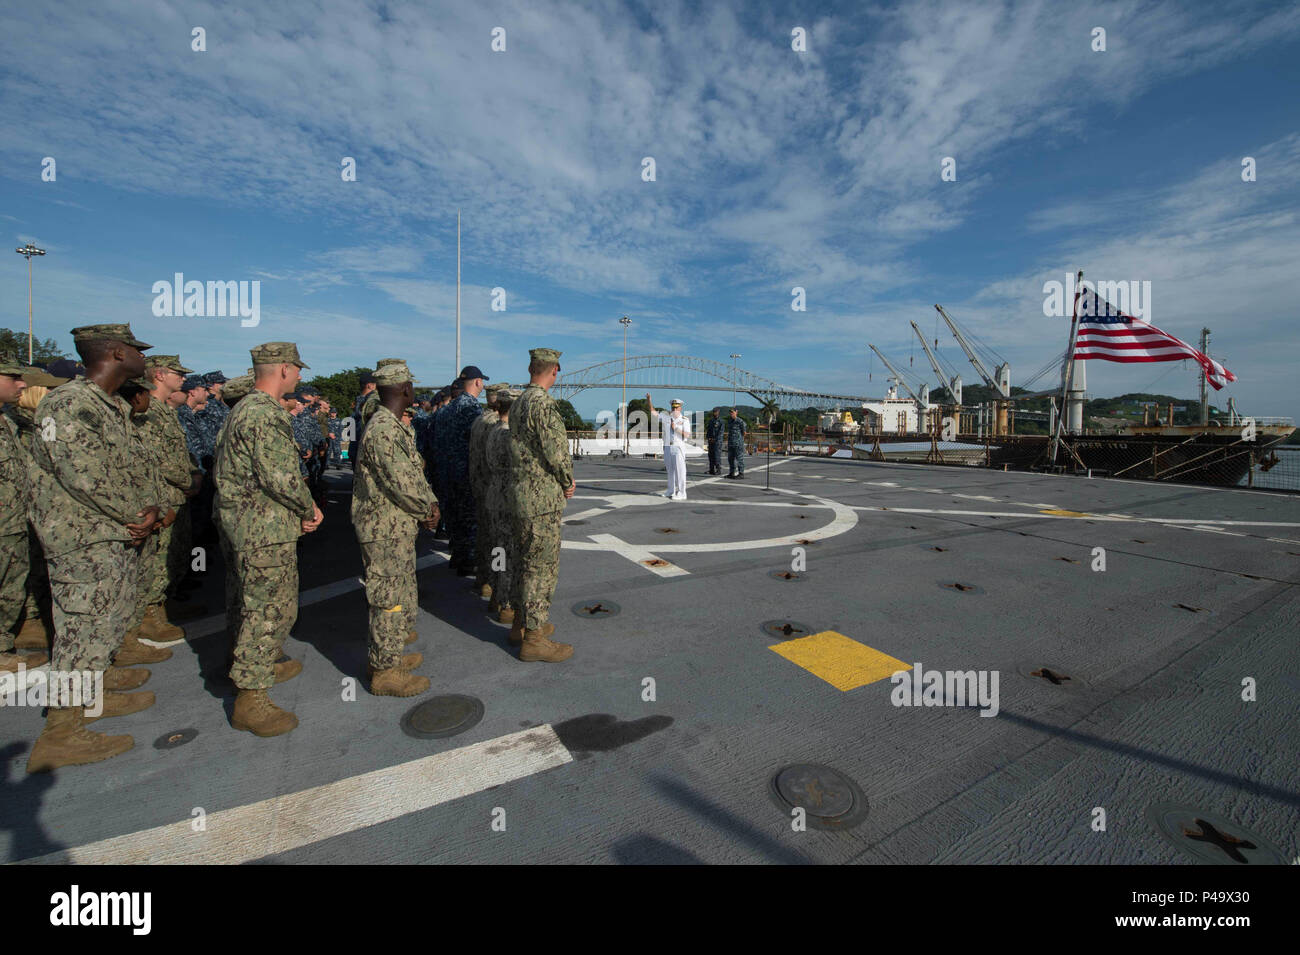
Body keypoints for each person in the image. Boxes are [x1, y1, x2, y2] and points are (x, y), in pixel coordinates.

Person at [26, 324, 166, 774]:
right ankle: (61, 734)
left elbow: (124, 466)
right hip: (83, 537)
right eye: (137, 351)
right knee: (79, 632)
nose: (145, 358)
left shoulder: (106, 405)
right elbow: (82, 473)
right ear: (115, 351)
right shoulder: (69, 403)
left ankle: (94, 695)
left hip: (109, 533)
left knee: (101, 623)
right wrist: (135, 511)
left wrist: (147, 508)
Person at [213, 342, 322, 737]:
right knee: (268, 609)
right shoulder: (263, 413)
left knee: (248, 601)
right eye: (296, 369)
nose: (300, 376)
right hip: (263, 530)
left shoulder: (244, 408)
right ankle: (251, 698)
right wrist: (309, 509)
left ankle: (249, 663)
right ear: (282, 369)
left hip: (247, 525)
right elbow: (281, 476)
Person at [352, 361, 438, 696]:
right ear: (403, 389)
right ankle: (385, 672)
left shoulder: (390, 426)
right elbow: (402, 483)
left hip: (394, 527)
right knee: (388, 599)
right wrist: (426, 509)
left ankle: (386, 657)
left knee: (395, 595)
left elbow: (413, 475)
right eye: (411, 386)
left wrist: (427, 503)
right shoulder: (385, 429)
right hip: (384, 529)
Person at [507, 348, 575, 662]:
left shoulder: (520, 402)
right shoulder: (543, 404)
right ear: (553, 371)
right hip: (541, 498)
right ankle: (534, 639)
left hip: (521, 494)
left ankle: (522, 624)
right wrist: (567, 480)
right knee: (541, 568)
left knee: (524, 562)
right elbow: (555, 450)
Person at [0, 355, 49, 673]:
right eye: (12, 377)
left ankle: (5, 643)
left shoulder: (9, 422)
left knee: (10, 586)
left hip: (14, 522)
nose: (22, 384)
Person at [440, 366, 488, 576]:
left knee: (457, 516)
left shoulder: (449, 408)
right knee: (470, 518)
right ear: (478, 382)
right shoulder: (472, 408)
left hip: (448, 469)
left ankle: (458, 557)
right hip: (467, 470)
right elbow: (481, 441)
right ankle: (468, 561)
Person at [483, 386, 519, 625]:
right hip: (507, 498)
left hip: (493, 494)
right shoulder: (508, 434)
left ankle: (496, 592)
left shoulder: (493, 429)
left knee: (497, 549)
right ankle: (506, 604)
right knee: (508, 553)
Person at [469, 383, 507, 596]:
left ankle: (483, 578)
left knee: (484, 536)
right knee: (499, 545)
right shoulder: (499, 426)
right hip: (496, 492)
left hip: (479, 486)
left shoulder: (478, 421)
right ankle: (495, 587)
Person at [647, 394, 689, 500]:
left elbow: (687, 435)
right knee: (670, 470)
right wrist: (649, 400)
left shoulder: (684, 420)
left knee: (680, 470)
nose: (674, 409)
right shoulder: (666, 417)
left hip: (678, 447)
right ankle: (671, 490)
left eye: (676, 407)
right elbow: (653, 413)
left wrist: (676, 429)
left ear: (680, 408)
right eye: (673, 407)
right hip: (667, 446)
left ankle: (682, 493)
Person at [725, 407, 747, 479]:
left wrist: (739, 439)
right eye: (730, 412)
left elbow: (744, 433)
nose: (731, 413)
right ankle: (732, 473)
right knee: (730, 459)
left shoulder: (740, 421)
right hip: (731, 443)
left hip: (738, 444)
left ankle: (741, 473)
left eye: (733, 412)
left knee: (739, 458)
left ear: (736, 412)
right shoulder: (729, 421)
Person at [706, 408, 724, 475]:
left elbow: (721, 432)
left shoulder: (721, 421)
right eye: (714, 412)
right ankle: (711, 469)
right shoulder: (711, 421)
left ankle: (718, 470)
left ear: (718, 412)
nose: (714, 413)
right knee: (710, 455)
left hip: (717, 441)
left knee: (717, 455)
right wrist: (708, 438)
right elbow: (708, 430)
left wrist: (715, 439)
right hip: (711, 441)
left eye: (716, 412)